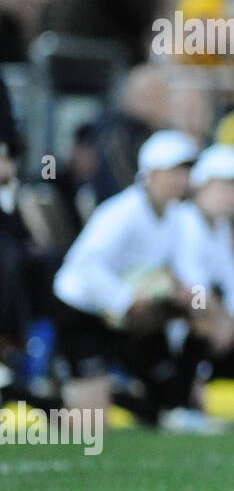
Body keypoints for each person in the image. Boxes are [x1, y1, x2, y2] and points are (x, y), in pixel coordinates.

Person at [51, 130, 209, 430]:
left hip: (132, 314)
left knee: (203, 316)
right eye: (173, 171)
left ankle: (171, 402)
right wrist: (125, 299)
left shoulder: (178, 217)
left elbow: (192, 273)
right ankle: (29, 396)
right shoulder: (122, 212)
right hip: (86, 311)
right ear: (149, 175)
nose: (180, 179)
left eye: (185, 171)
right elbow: (85, 264)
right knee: (88, 424)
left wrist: (196, 299)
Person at [172, 144, 234, 386]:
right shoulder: (184, 222)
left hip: (208, 316)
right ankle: (189, 387)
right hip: (176, 315)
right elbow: (192, 285)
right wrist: (219, 317)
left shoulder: (220, 227)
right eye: (227, 187)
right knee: (203, 316)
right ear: (202, 185)